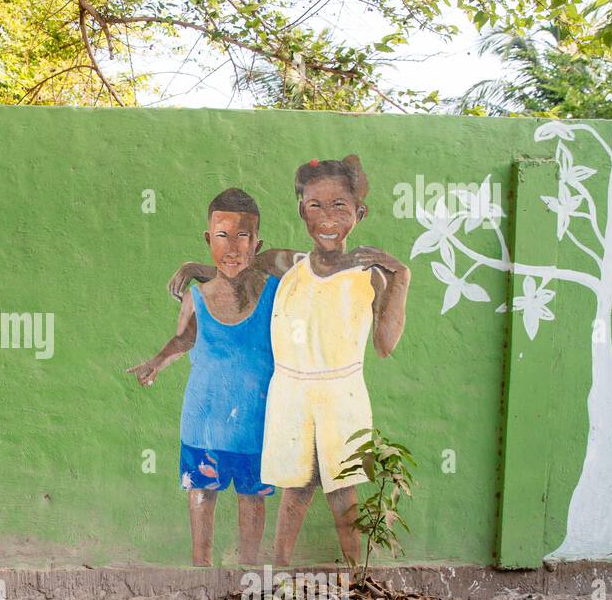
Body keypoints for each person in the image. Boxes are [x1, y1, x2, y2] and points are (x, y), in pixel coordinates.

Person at [168, 156, 409, 566]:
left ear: (359, 213)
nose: (327, 218)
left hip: (342, 395)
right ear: (302, 211)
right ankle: (277, 572)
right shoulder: (287, 263)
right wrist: (197, 267)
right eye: (315, 205)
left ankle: (356, 576)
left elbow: (385, 345)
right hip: (291, 393)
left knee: (342, 492)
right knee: (295, 490)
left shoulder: (371, 276)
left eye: (340, 206)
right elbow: (235, 262)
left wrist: (401, 279)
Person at [129, 189, 280, 566]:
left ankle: (249, 573)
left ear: (257, 242)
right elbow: (185, 338)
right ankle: (201, 572)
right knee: (201, 495)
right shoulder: (195, 297)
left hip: (255, 424)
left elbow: (294, 262)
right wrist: (157, 362)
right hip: (204, 422)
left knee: (252, 500)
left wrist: (204, 265)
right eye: (222, 235)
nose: (233, 246)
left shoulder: (274, 291)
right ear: (208, 239)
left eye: (243, 236)